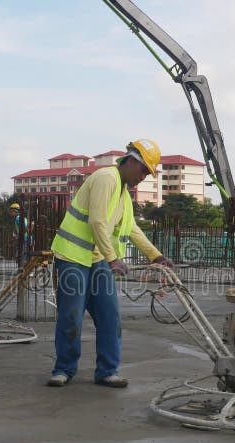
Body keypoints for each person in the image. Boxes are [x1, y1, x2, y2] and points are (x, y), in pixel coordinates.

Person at [47, 138, 174, 388]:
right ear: (130, 161)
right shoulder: (107, 178)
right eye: (144, 170)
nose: (144, 177)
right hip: (73, 258)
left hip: (98, 261)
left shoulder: (124, 193)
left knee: (109, 317)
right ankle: (63, 369)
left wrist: (155, 256)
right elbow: (97, 222)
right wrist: (113, 259)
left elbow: (132, 229)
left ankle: (107, 371)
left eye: (148, 173)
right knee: (70, 315)